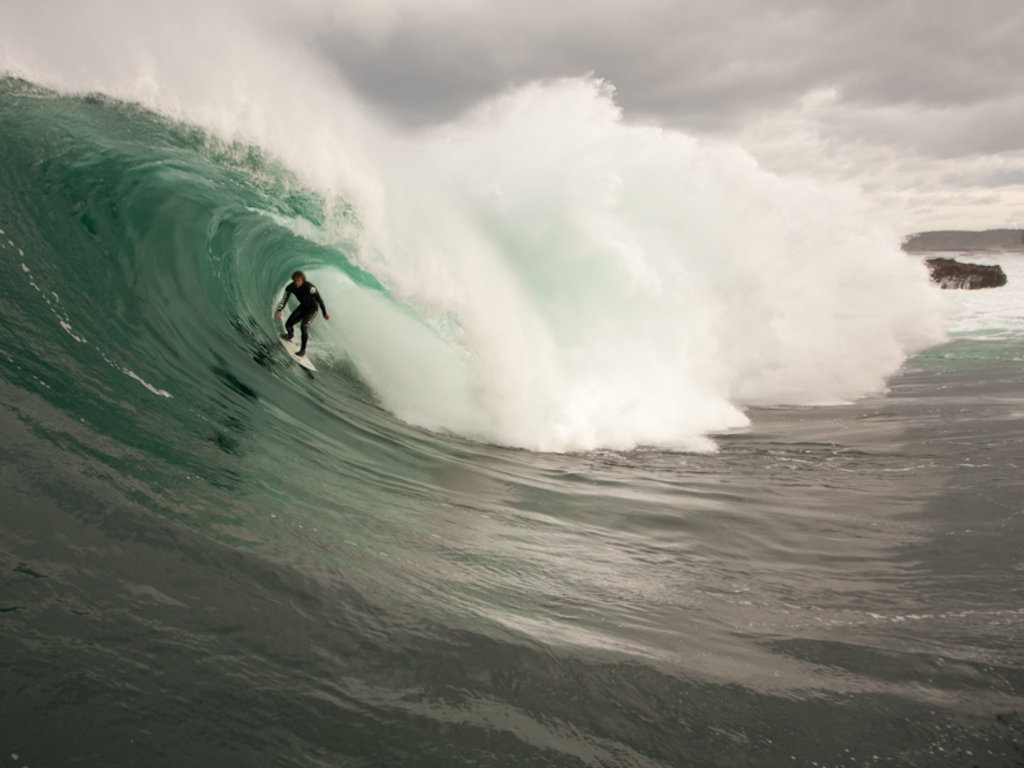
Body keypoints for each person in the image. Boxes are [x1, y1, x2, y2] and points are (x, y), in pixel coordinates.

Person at [275, 271, 329, 357]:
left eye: (298, 281)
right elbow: (284, 299)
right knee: (288, 324)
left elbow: (319, 300)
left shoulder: (310, 288)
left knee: (303, 326)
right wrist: (279, 310)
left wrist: (324, 313)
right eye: (295, 281)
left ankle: (302, 350)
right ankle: (290, 335)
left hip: (312, 309)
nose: (296, 283)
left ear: (303, 280)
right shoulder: (290, 287)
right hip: (303, 307)